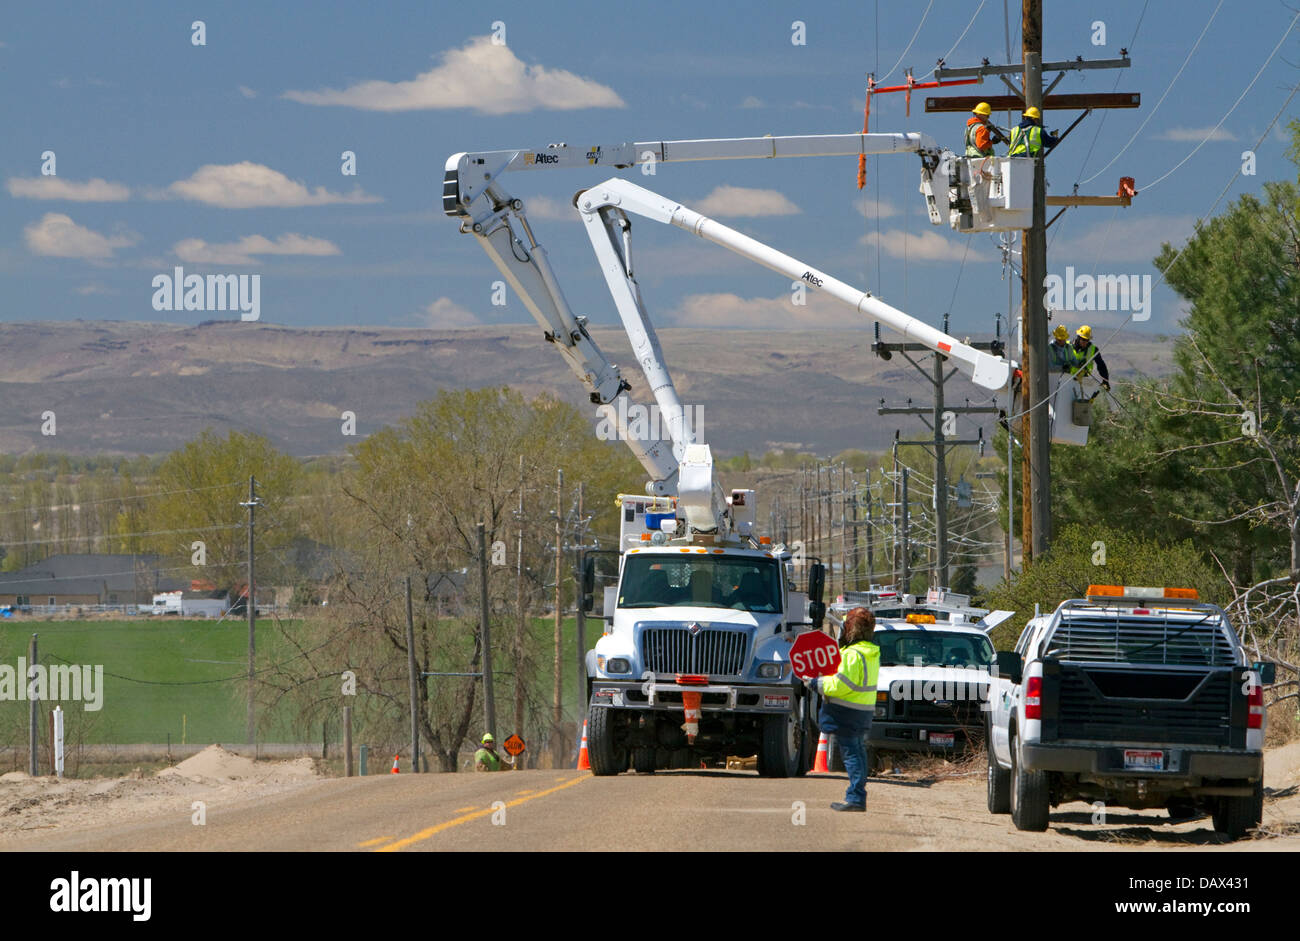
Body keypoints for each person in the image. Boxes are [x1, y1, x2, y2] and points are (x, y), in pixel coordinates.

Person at [806, 607, 880, 812]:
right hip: (862, 710)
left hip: (847, 713)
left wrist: (815, 683)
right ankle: (857, 795)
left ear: (851, 628)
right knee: (858, 752)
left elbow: (840, 685)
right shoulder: (869, 652)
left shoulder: (852, 655)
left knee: (851, 754)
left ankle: (856, 798)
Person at [1068, 325, 1110, 390]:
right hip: (1067, 380)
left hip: (1084, 380)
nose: (1085, 342)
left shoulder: (1093, 349)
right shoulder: (1067, 346)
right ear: (1078, 337)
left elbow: (1101, 365)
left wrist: (1105, 381)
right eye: (1083, 339)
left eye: (1087, 340)